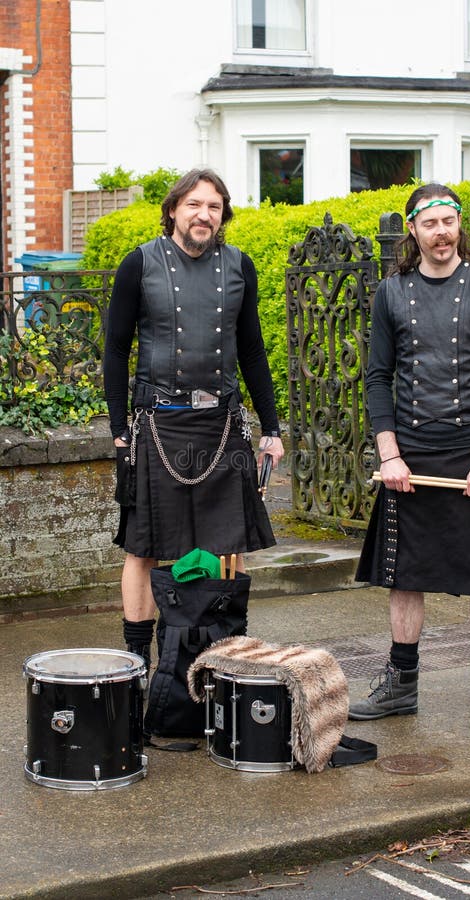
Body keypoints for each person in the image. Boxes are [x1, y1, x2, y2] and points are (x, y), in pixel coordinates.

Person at [350, 183, 470, 741]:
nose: (442, 232)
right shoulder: (391, 292)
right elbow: (377, 378)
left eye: (449, 221)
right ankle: (401, 683)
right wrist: (390, 454)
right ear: (414, 231)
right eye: (430, 223)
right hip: (410, 454)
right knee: (404, 575)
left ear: (459, 225)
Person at [103, 168, 284, 672]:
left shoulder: (239, 266)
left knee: (228, 546)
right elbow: (115, 349)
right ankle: (137, 662)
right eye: (194, 205)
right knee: (143, 547)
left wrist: (271, 429)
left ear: (223, 215)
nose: (204, 215)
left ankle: (220, 656)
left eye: (214, 207)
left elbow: (252, 351)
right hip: (157, 424)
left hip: (221, 426)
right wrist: (118, 429)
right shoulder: (139, 263)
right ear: (173, 210)